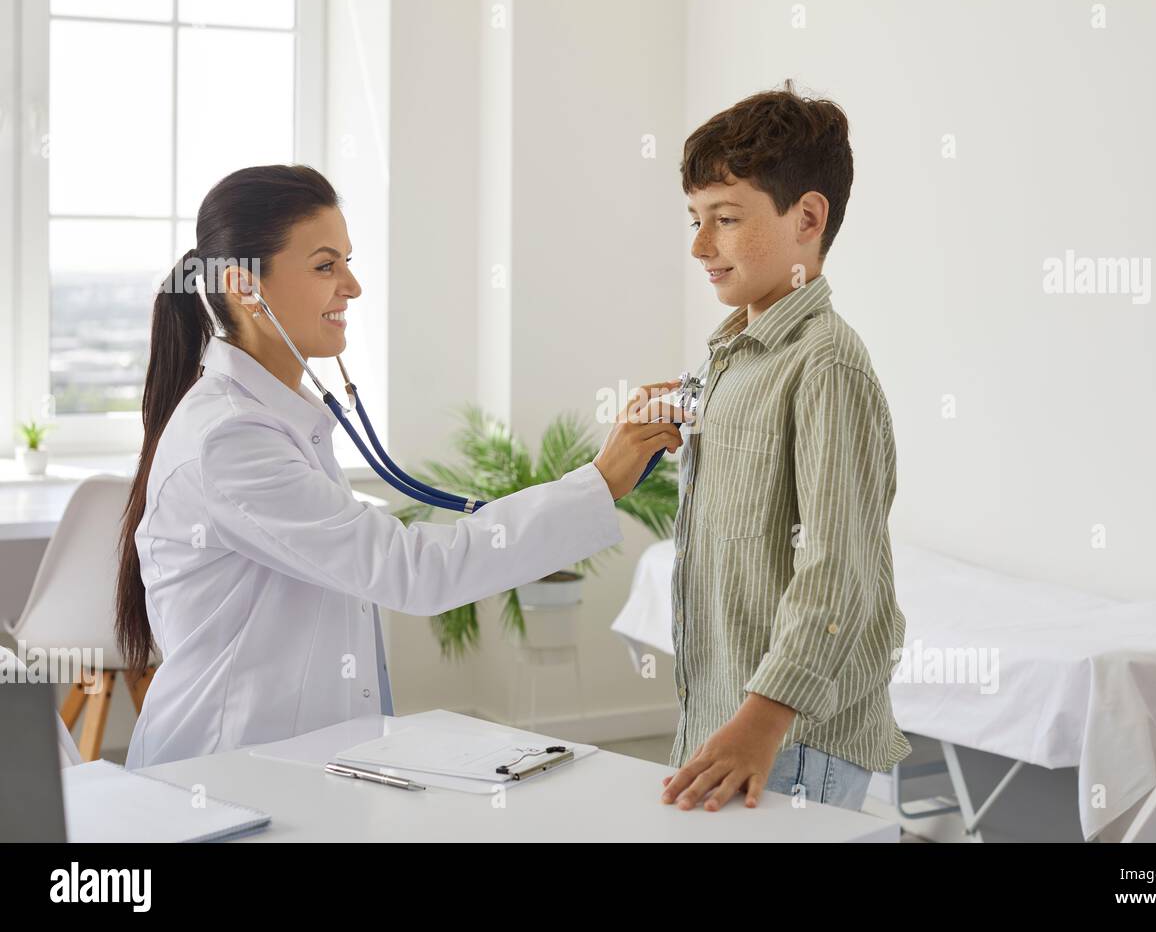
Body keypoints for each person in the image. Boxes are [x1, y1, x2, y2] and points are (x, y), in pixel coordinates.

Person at [117, 164, 684, 769]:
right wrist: (600, 481)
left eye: (347, 261)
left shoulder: (279, 420)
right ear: (244, 287)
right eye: (325, 265)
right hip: (222, 770)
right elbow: (411, 572)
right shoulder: (229, 438)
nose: (352, 286)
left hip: (293, 766)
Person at [660, 83, 911, 812]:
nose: (701, 246)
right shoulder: (733, 354)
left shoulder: (826, 364)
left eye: (726, 220)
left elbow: (838, 571)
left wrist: (763, 719)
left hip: (793, 739)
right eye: (696, 220)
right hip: (726, 724)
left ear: (807, 217)